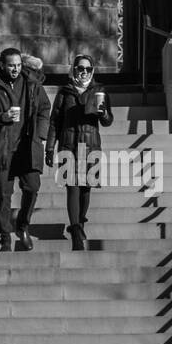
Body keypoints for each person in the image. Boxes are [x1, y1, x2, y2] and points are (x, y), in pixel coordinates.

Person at [0, 47, 51, 252]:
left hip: (27, 146)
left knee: (32, 187)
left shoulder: (32, 82)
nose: (15, 69)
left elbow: (44, 109)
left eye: (18, 65)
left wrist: (41, 135)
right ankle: (5, 237)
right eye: (11, 66)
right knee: (4, 194)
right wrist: (0, 117)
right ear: (2, 65)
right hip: (2, 147)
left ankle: (22, 227)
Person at [46, 53, 114, 251]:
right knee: (72, 187)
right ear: (73, 70)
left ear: (92, 71)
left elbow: (108, 121)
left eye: (87, 69)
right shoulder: (64, 93)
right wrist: (50, 148)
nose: (83, 72)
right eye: (80, 68)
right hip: (68, 145)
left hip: (91, 146)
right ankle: (75, 230)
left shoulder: (99, 90)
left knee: (86, 189)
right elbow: (54, 122)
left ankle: (80, 222)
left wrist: (105, 113)